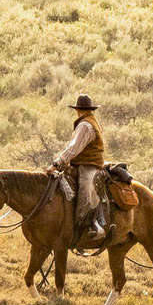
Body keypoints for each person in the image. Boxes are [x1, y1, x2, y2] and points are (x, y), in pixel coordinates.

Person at [49, 94, 108, 244]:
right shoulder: (89, 122)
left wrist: (57, 163)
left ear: (77, 110)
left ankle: (87, 225)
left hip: (89, 166)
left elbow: (73, 148)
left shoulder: (85, 125)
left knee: (86, 189)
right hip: (82, 164)